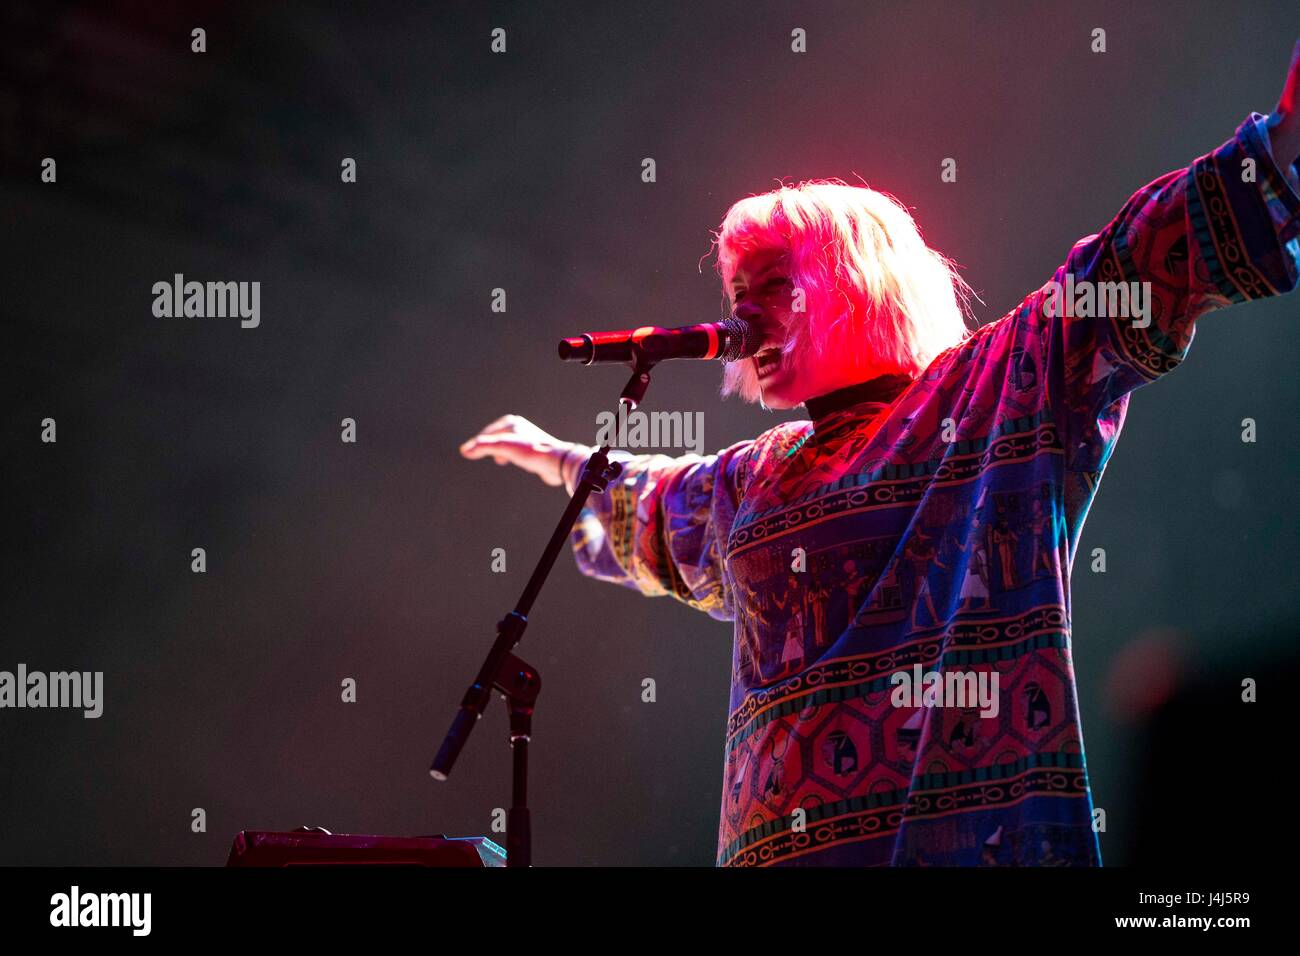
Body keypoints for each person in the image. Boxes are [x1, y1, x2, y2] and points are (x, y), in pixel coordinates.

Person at [461, 44, 1300, 866]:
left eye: (773, 285)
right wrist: (562, 460)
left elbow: (1121, 269)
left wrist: (1280, 146)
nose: (747, 314)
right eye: (737, 292)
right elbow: (656, 504)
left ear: (850, 283)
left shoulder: (988, 393)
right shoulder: (758, 475)